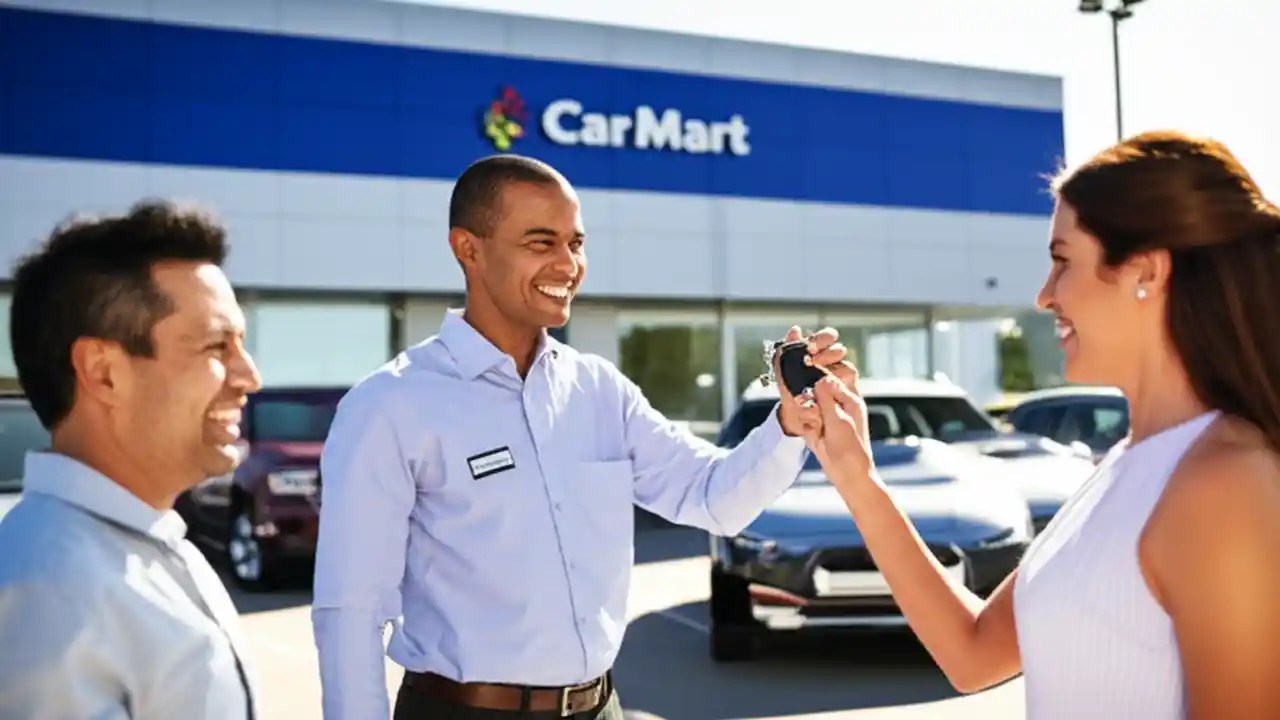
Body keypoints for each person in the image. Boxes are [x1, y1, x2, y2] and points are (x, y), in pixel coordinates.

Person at [311, 154, 853, 719]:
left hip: (601, 708)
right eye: (541, 243)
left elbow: (714, 497)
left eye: (576, 243)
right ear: (468, 249)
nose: (568, 264)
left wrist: (790, 425)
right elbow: (351, 611)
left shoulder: (598, 390)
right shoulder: (390, 406)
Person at [803, 130, 1280, 719]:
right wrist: (854, 472)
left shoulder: (1224, 481)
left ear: (1145, 273)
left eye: (1062, 262)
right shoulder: (1125, 466)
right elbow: (972, 652)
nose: (1044, 296)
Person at [0, 200, 265, 718]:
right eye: (217, 346)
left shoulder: (152, 545)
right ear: (104, 373)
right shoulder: (51, 597)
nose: (249, 376)